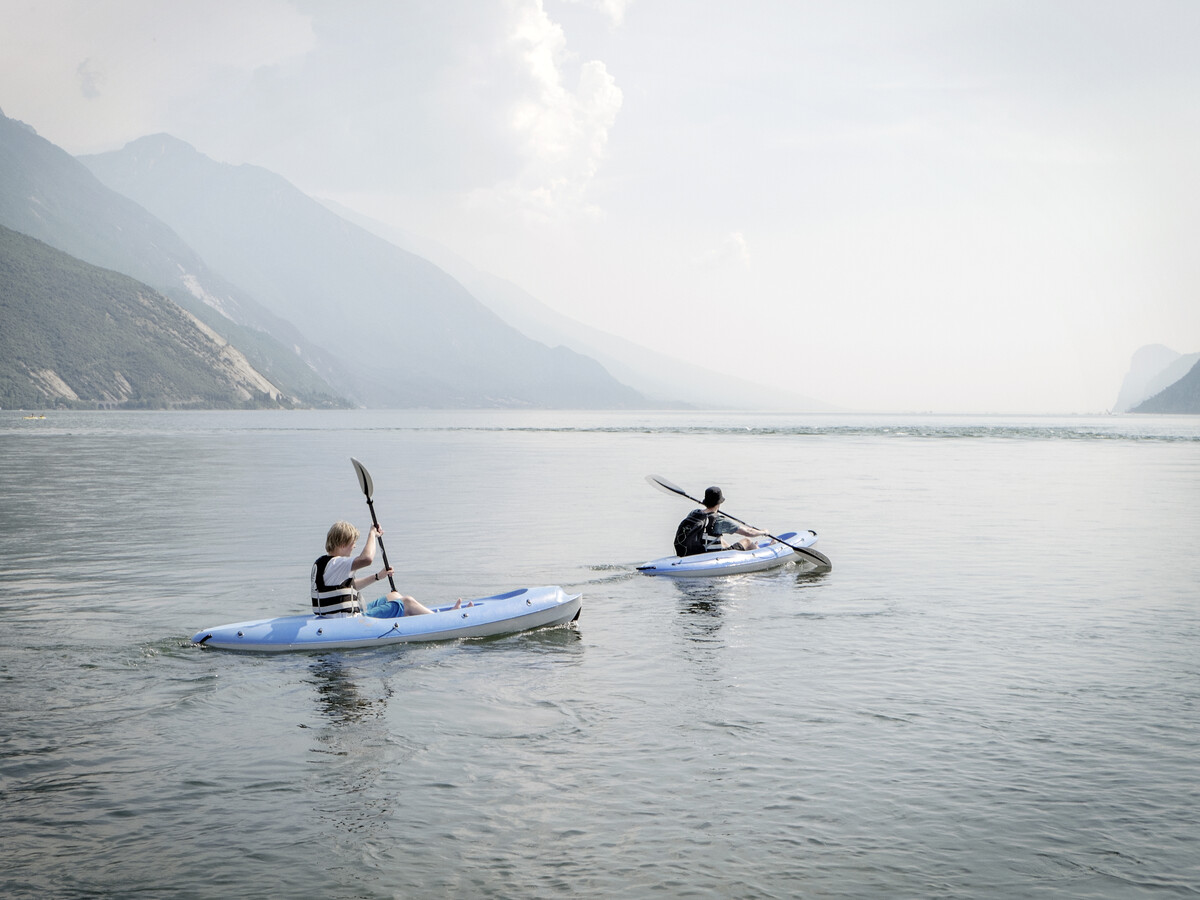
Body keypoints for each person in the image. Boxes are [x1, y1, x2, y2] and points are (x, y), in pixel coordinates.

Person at [311, 520, 435, 618]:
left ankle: (407, 618)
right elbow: (367, 559)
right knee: (407, 602)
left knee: (394, 596)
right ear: (343, 544)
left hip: (339, 615)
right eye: (352, 543)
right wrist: (372, 534)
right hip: (347, 620)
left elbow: (350, 587)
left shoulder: (324, 562)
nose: (354, 546)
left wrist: (377, 576)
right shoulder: (337, 563)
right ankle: (439, 619)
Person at [673, 486, 769, 556]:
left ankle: (747, 550)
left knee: (718, 538)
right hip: (711, 556)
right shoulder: (718, 520)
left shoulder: (695, 513)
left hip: (694, 552)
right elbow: (749, 532)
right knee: (747, 541)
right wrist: (763, 532)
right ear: (719, 503)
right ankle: (758, 552)